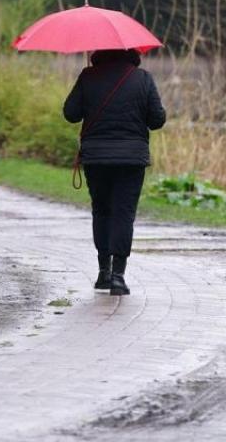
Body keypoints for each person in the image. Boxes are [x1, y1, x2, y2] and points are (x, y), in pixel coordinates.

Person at [63, 48, 166, 296]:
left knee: (102, 211)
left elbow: (70, 114)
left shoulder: (88, 76)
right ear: (130, 51)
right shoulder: (142, 78)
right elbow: (157, 120)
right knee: (123, 213)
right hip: (131, 159)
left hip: (96, 158)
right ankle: (119, 277)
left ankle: (103, 273)